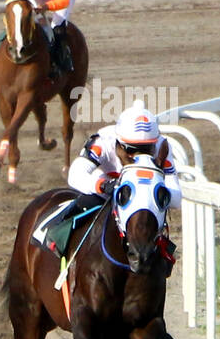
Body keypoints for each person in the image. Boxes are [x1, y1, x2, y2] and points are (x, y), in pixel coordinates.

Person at [40, 100, 181, 264]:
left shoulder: (163, 146)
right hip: (103, 194)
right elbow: (75, 174)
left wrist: (157, 193)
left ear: (154, 144)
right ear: (119, 144)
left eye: (146, 149)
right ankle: (58, 239)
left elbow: (176, 199)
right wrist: (104, 186)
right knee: (85, 203)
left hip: (143, 199)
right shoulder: (103, 142)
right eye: (131, 149)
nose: (139, 156)